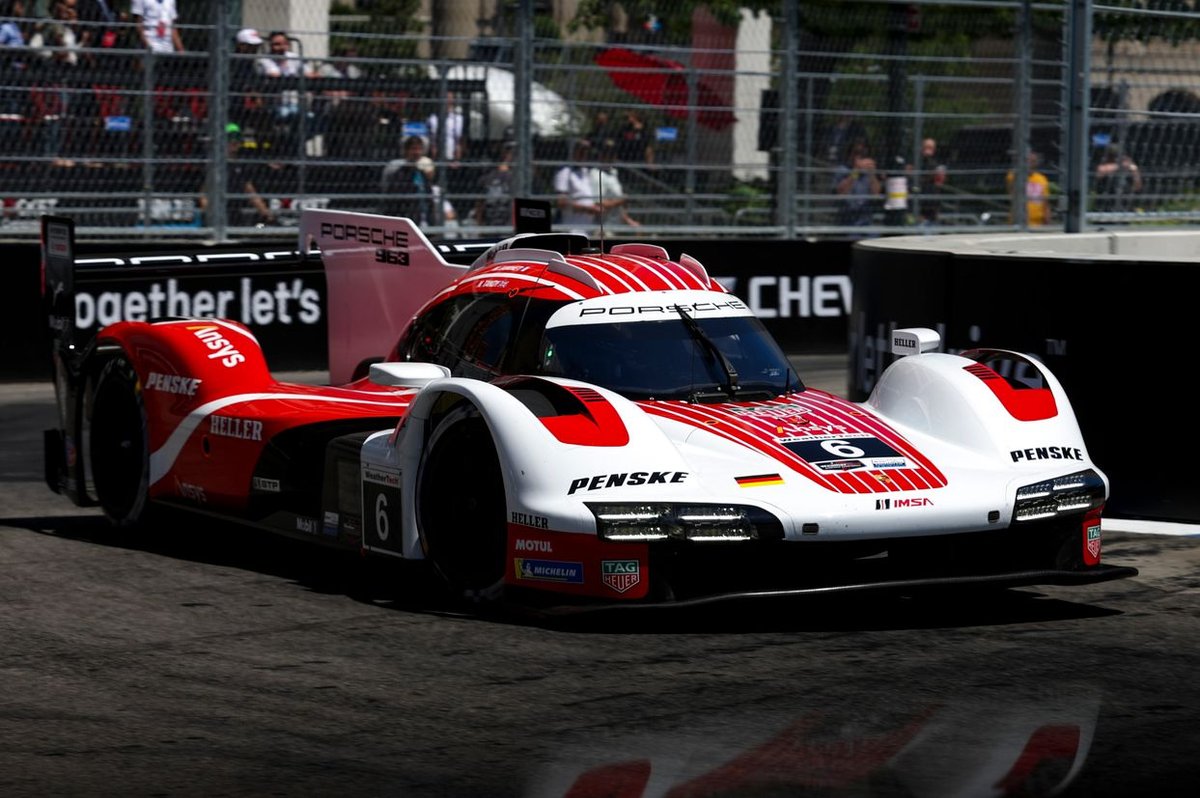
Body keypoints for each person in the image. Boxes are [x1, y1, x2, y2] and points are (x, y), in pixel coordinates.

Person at [200, 122, 276, 227]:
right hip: (217, 212)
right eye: (230, 139)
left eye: (237, 138)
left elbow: (250, 192)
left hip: (234, 212)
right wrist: (210, 215)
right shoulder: (214, 164)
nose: (234, 142)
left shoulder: (240, 164)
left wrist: (266, 214)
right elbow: (204, 195)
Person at [381, 134, 434, 224]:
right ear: (406, 151)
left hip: (422, 216)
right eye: (413, 149)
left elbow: (428, 196)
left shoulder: (421, 170)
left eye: (419, 149)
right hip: (405, 217)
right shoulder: (397, 170)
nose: (417, 152)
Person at [554, 137, 600, 236]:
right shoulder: (565, 172)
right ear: (573, 151)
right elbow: (561, 202)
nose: (585, 154)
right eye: (582, 150)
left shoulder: (585, 172)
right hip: (572, 229)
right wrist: (588, 209)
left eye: (587, 151)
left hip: (588, 229)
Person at [832, 137, 882, 228]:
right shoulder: (842, 170)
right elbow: (841, 193)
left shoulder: (868, 172)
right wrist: (855, 171)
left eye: (864, 154)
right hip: (847, 219)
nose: (860, 157)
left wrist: (872, 174)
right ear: (850, 154)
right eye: (857, 153)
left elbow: (876, 193)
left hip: (866, 220)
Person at [591, 138, 639, 228]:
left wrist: (629, 221)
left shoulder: (613, 173)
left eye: (612, 153)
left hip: (615, 226)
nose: (610, 157)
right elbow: (597, 204)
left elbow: (618, 206)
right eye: (607, 153)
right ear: (600, 155)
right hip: (603, 227)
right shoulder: (596, 175)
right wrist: (621, 200)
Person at [472, 140, 515, 230]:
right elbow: (479, 204)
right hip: (491, 222)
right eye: (508, 151)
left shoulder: (516, 177)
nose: (511, 155)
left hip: (508, 224)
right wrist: (480, 226)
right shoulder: (487, 178)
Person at [1006, 150, 1051, 227]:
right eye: (1027, 161)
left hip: (1038, 223)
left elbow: (1045, 202)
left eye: (1033, 161)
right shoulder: (1013, 176)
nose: (1029, 164)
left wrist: (1047, 220)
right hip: (1018, 221)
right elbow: (1012, 187)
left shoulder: (1042, 179)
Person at [1094, 143, 1142, 213]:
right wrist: (1120, 166)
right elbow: (1099, 172)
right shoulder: (1104, 162)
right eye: (1113, 156)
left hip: (1123, 201)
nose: (1116, 158)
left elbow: (1137, 185)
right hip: (1106, 201)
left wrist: (1135, 172)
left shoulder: (1127, 165)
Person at [914, 137, 947, 226]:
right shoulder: (917, 160)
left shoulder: (937, 161)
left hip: (933, 201)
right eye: (927, 147)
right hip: (920, 200)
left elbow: (940, 181)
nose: (929, 150)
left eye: (931, 148)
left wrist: (939, 177)